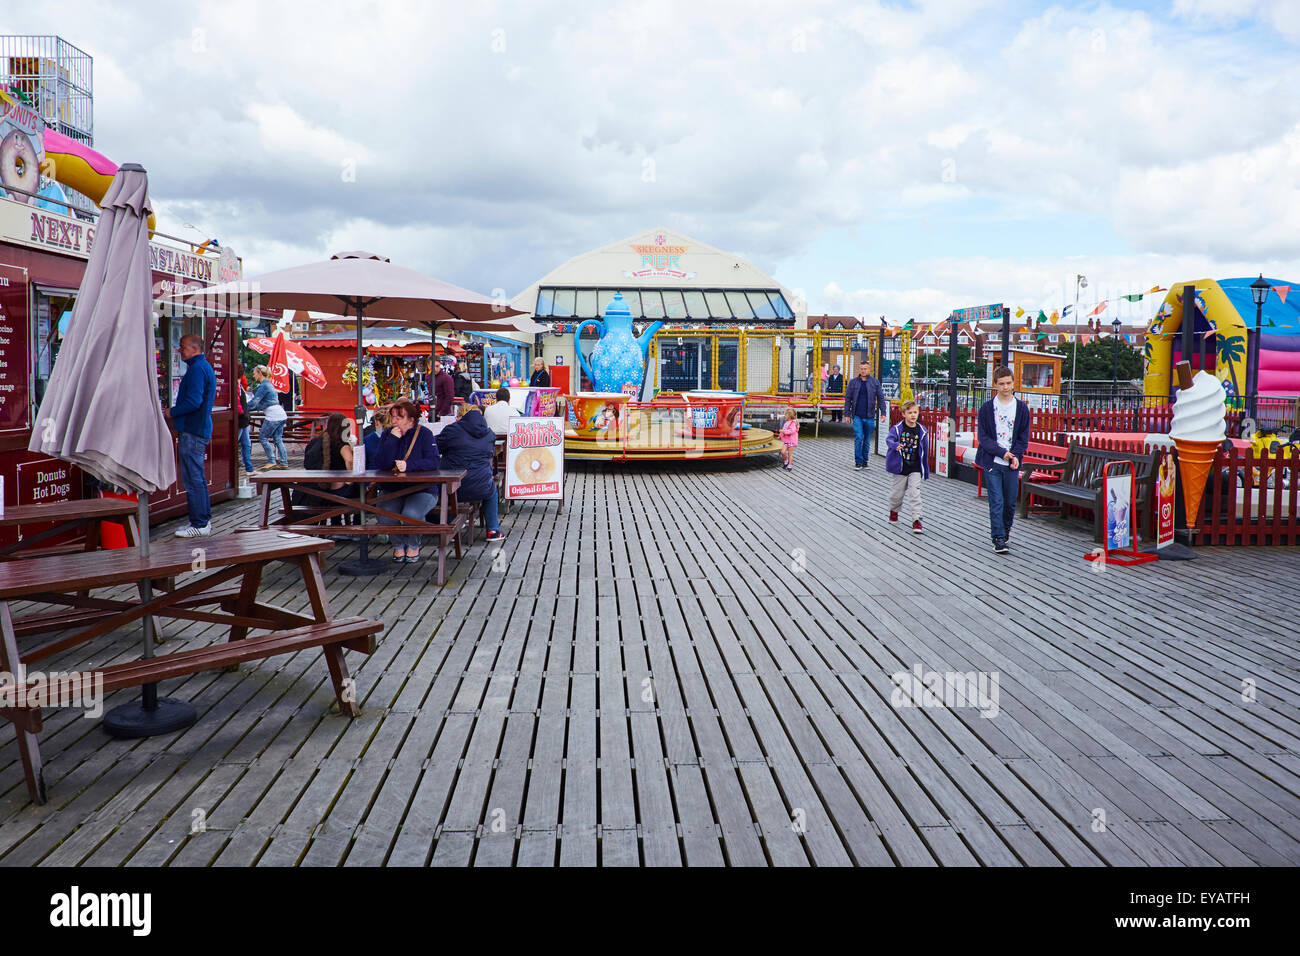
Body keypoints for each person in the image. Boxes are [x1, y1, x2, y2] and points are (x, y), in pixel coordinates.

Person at [373, 399, 440, 562]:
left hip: (422, 488)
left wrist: (409, 465)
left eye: (398, 418)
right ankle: (398, 546)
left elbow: (433, 462)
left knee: (411, 514)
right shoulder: (388, 434)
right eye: (393, 417)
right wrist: (392, 441)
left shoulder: (424, 434)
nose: (394, 421)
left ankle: (413, 546)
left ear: (410, 420)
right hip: (392, 488)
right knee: (385, 513)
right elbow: (380, 463)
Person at [976, 366, 1030, 554]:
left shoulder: (1022, 408)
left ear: (1013, 383)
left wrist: (1014, 455)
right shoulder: (987, 408)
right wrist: (1001, 452)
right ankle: (998, 537)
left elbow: (1023, 437)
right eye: (1001, 384)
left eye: (1008, 383)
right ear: (995, 385)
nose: (1005, 387)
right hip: (993, 461)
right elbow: (983, 438)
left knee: (1009, 502)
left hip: (1012, 462)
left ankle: (1006, 530)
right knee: (996, 501)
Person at [170, 334, 217, 537]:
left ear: (195, 348)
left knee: (193, 478)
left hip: (193, 428)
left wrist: (171, 412)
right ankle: (201, 521)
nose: (180, 351)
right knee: (196, 477)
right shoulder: (202, 367)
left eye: (183, 347)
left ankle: (199, 523)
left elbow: (193, 402)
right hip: (197, 428)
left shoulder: (197, 369)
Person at [436, 403, 505, 541]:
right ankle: (493, 530)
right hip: (481, 487)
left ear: (461, 416)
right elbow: (491, 454)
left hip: (453, 487)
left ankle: (450, 522)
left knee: (435, 492)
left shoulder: (452, 430)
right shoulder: (489, 434)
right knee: (491, 489)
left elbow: (435, 447)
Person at [885, 399, 929, 533]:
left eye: (915, 412)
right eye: (909, 413)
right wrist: (894, 445)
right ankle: (894, 511)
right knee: (896, 494)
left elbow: (925, 451)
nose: (913, 415)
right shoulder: (898, 428)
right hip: (900, 466)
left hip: (915, 466)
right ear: (904, 414)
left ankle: (917, 520)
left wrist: (925, 470)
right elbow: (889, 439)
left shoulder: (922, 431)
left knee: (915, 493)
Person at [843, 361, 885, 469]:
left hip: (869, 415)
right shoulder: (853, 382)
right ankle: (858, 461)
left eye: (865, 368)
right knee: (858, 437)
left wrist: (883, 413)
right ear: (859, 369)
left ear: (869, 369)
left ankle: (865, 461)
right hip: (857, 415)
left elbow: (880, 398)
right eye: (861, 368)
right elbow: (848, 399)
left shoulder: (875, 382)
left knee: (867, 439)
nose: (863, 370)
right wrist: (847, 414)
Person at [248, 365, 288, 469]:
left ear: (260, 373)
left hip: (273, 416)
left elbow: (254, 403)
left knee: (263, 437)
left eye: (255, 373)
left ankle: (271, 461)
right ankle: (284, 463)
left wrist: (242, 408)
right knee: (278, 438)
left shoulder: (263, 386)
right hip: (281, 414)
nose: (253, 375)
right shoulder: (269, 385)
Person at [235, 362, 254, 473]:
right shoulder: (237, 385)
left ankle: (249, 468)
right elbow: (238, 403)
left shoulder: (239, 385)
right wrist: (244, 413)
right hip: (242, 418)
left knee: (246, 444)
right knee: (240, 443)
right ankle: (248, 468)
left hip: (244, 419)